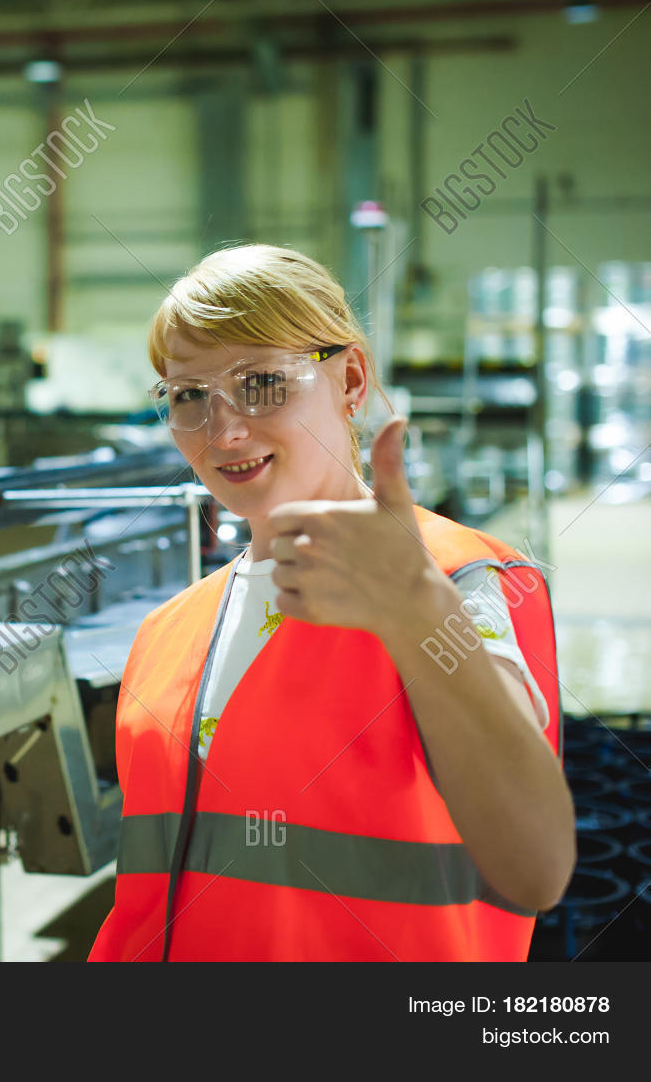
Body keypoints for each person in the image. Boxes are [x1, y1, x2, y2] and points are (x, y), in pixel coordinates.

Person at [88, 244, 574, 961]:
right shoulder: (168, 633)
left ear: (349, 379)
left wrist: (417, 615)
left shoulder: (458, 582)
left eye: (261, 382)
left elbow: (536, 866)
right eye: (189, 395)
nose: (224, 431)